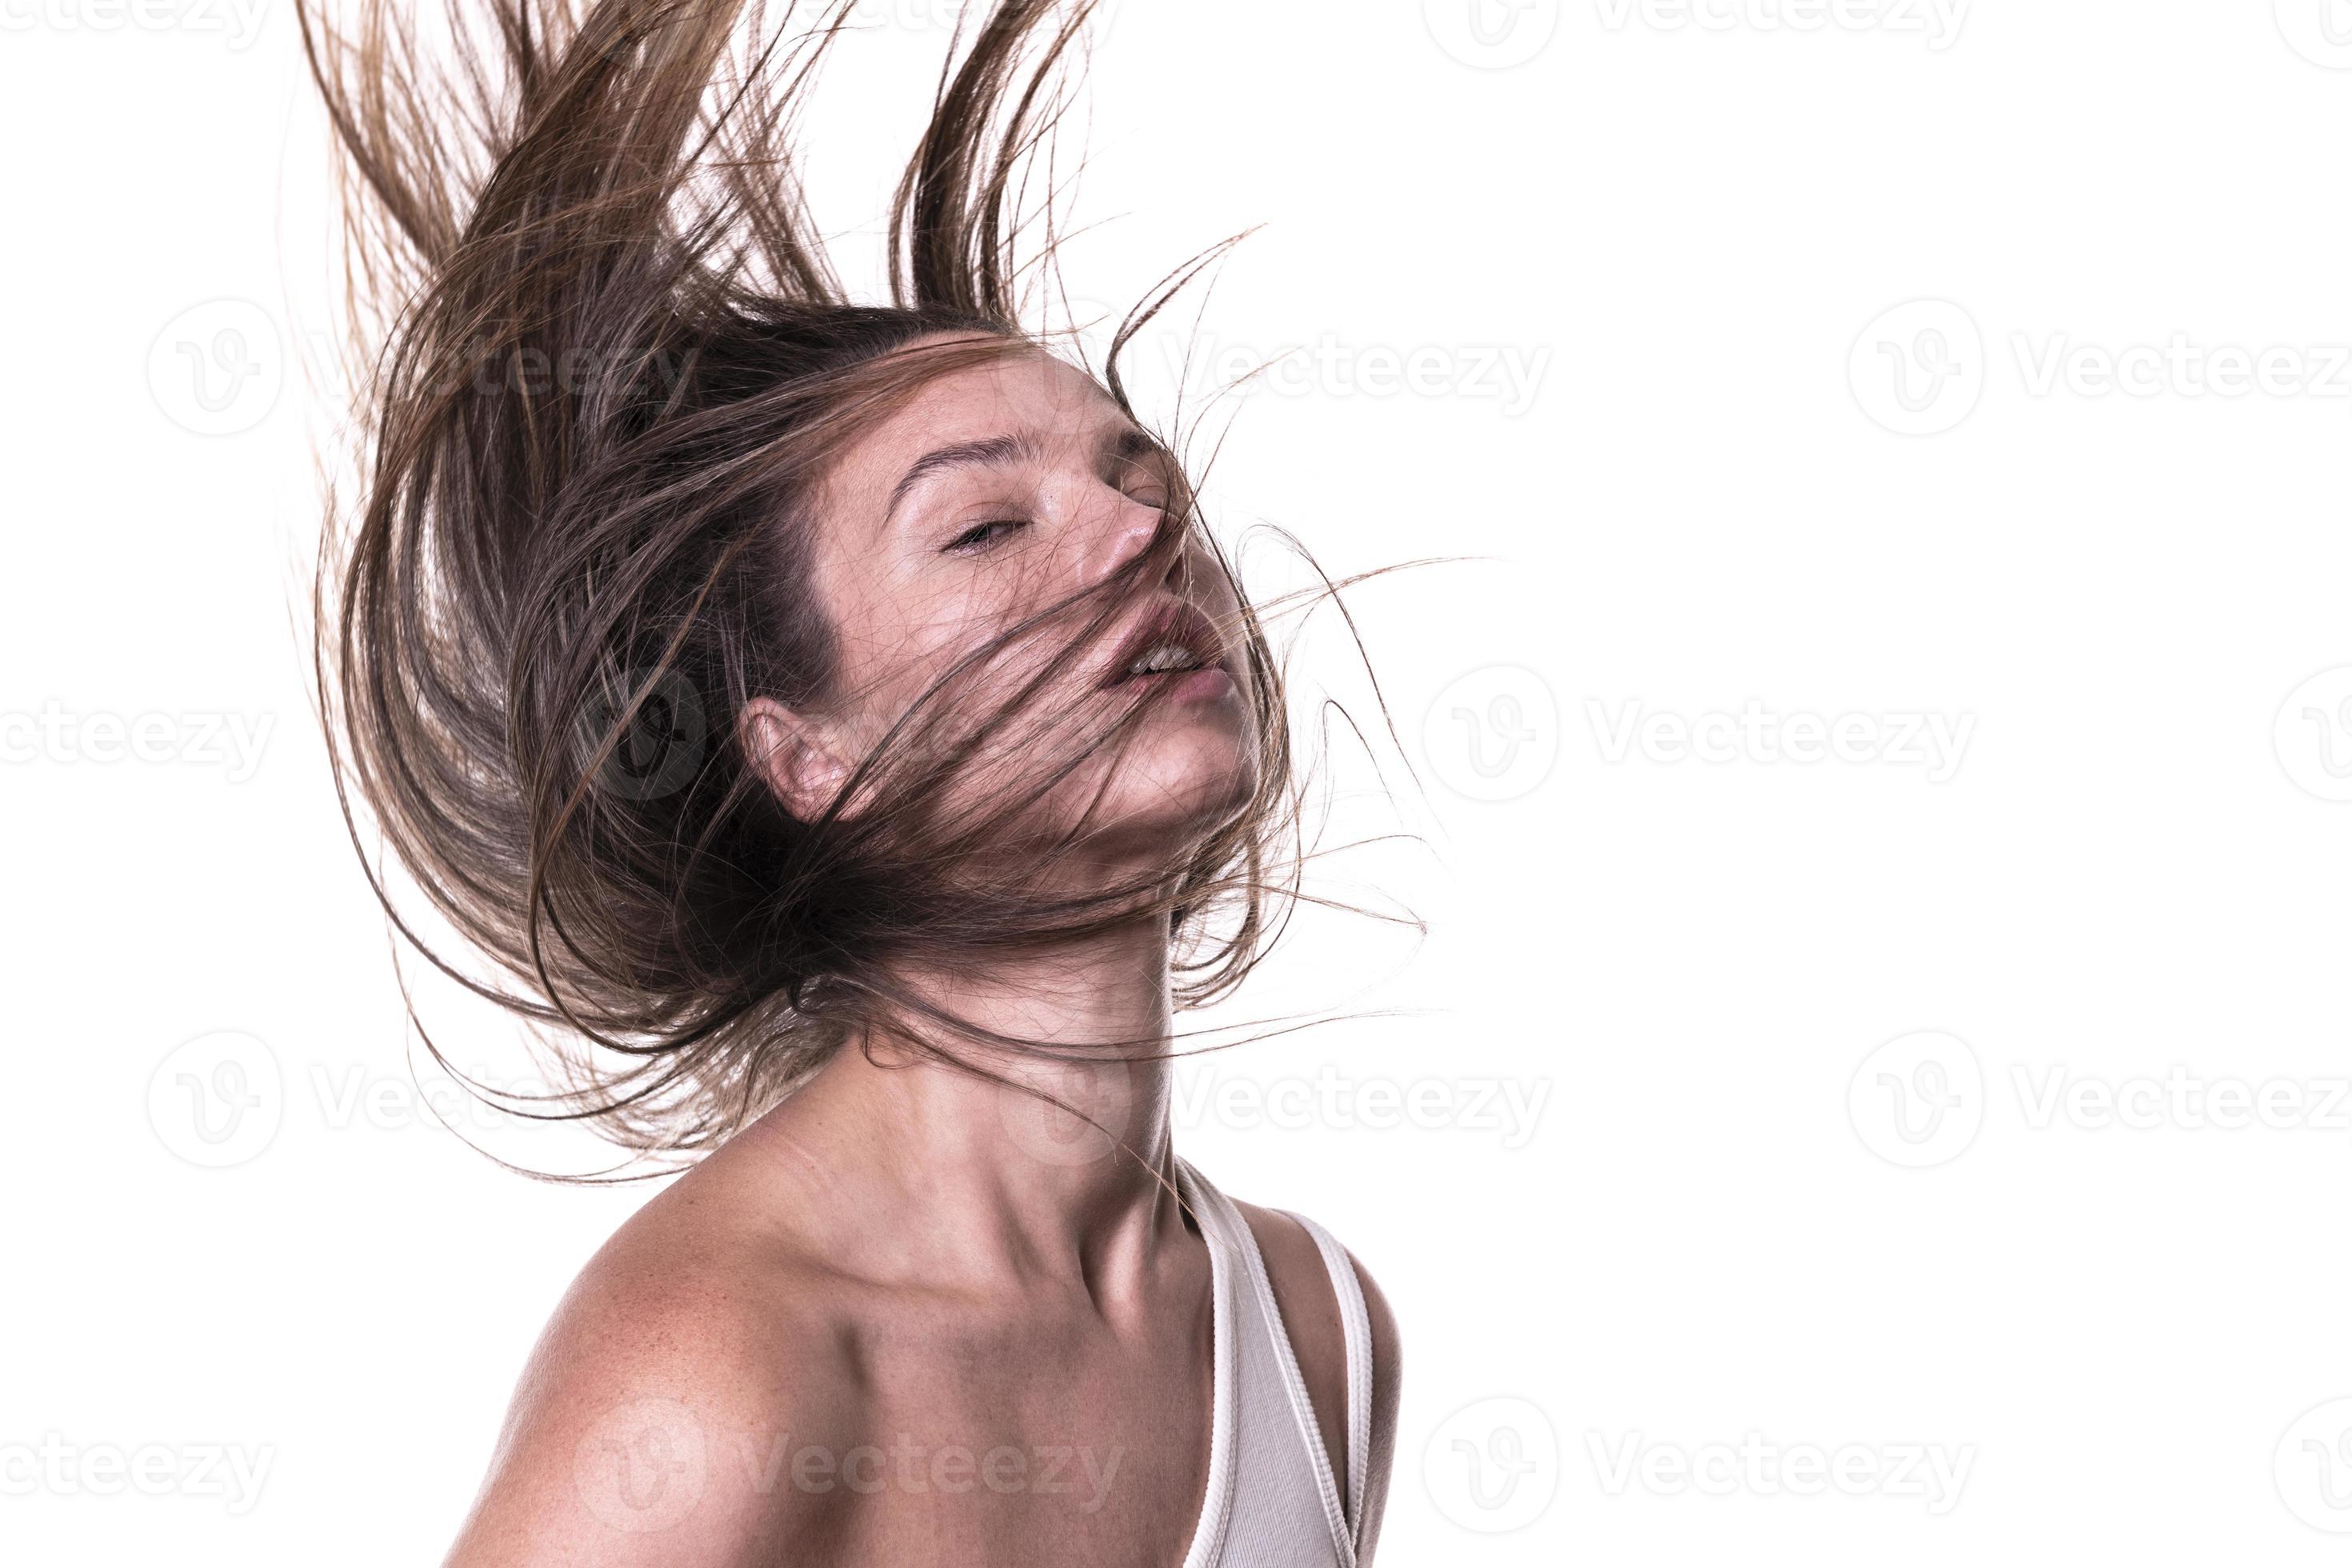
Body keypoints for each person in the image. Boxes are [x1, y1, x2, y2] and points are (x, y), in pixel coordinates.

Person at [301, 0, 1400, 1559]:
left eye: (1141, 474)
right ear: (809, 754)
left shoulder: (1311, 1332)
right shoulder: (717, 1370)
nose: (1141, 531)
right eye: (986, 528)